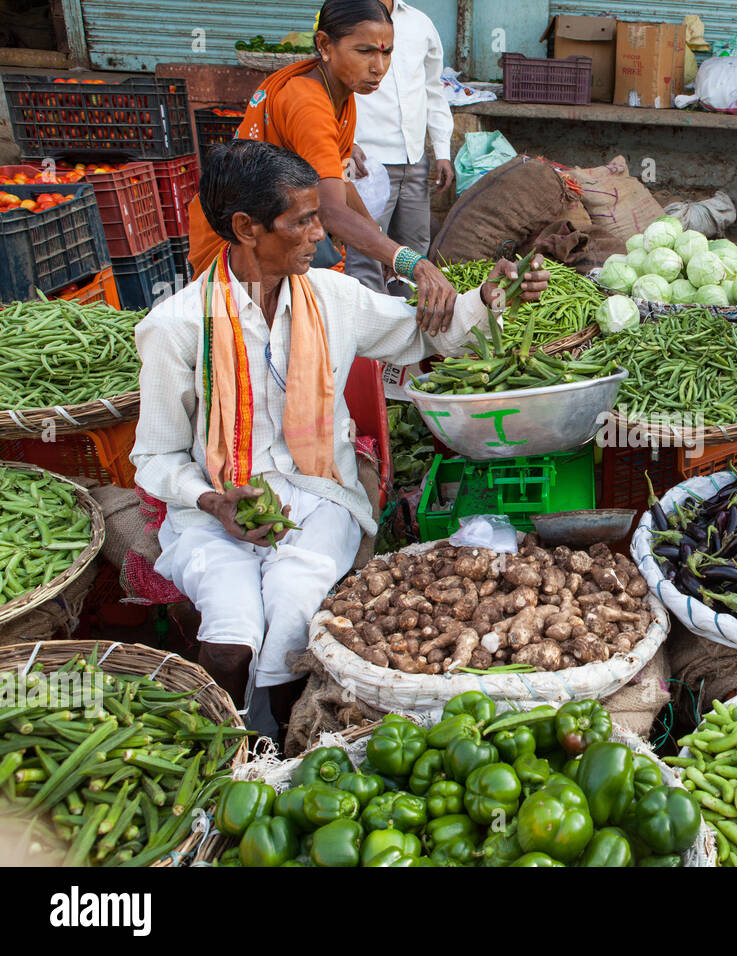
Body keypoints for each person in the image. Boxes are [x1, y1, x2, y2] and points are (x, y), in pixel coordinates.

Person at [133, 140, 549, 736]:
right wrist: (217, 503)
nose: (317, 234)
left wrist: (484, 299)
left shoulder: (333, 298)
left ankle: (277, 742)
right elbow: (156, 457)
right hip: (213, 504)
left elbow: (426, 336)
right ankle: (218, 749)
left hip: (320, 492)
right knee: (231, 631)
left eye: (316, 217)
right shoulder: (175, 327)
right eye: (301, 222)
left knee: (293, 608)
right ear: (246, 228)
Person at [186, 0, 459, 333]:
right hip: (242, 239)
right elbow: (330, 211)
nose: (378, 67)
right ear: (325, 46)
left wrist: (381, 245)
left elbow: (339, 182)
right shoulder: (309, 103)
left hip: (274, 233)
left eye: (386, 54)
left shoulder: (342, 95)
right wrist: (408, 260)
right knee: (243, 340)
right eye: (365, 52)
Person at [344, 0, 455, 295]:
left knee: (414, 248)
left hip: (415, 159)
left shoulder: (420, 24)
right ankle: (367, 328)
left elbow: (433, 88)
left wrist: (441, 150)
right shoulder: (346, 17)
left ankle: (405, 323)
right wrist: (345, 142)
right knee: (365, 250)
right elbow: (331, 83)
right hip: (367, 161)